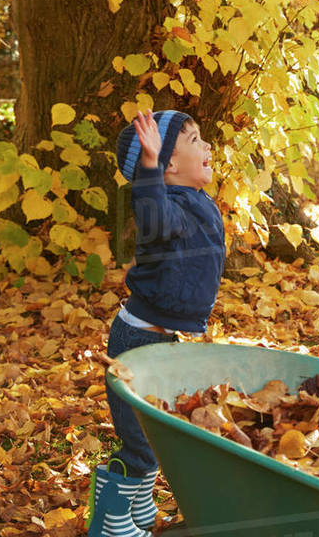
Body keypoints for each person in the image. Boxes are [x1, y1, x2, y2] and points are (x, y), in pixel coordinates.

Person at [88, 110, 225, 537]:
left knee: (155, 435)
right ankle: (110, 523)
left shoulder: (194, 201)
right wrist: (147, 166)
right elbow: (152, 210)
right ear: (168, 166)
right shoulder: (165, 212)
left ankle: (140, 508)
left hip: (160, 340)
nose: (207, 147)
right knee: (141, 441)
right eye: (196, 141)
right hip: (135, 342)